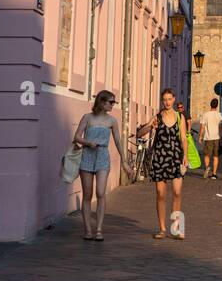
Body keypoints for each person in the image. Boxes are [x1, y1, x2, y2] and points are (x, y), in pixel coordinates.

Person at [73, 91, 132, 241]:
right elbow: (77, 136)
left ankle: (99, 229)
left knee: (100, 193)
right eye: (111, 102)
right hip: (87, 156)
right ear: (102, 102)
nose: (113, 105)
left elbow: (118, 141)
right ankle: (87, 229)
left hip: (102, 157)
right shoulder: (87, 117)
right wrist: (88, 143)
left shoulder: (112, 121)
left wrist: (124, 161)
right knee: (87, 195)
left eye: (114, 102)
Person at [137, 89, 186, 239]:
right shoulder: (157, 117)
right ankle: (162, 229)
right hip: (159, 158)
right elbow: (140, 134)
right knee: (160, 194)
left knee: (177, 192)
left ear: (174, 99)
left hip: (176, 157)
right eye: (164, 99)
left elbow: (183, 138)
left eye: (169, 99)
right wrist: (151, 126)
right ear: (162, 100)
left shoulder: (180, 117)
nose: (167, 102)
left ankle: (177, 227)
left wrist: (185, 156)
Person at [198, 97, 222, 180]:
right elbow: (221, 127)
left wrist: (200, 137)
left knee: (207, 155)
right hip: (216, 137)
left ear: (210, 104)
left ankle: (207, 167)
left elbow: (202, 126)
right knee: (216, 156)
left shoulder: (205, 114)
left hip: (208, 137)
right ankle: (214, 174)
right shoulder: (219, 115)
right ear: (217, 106)